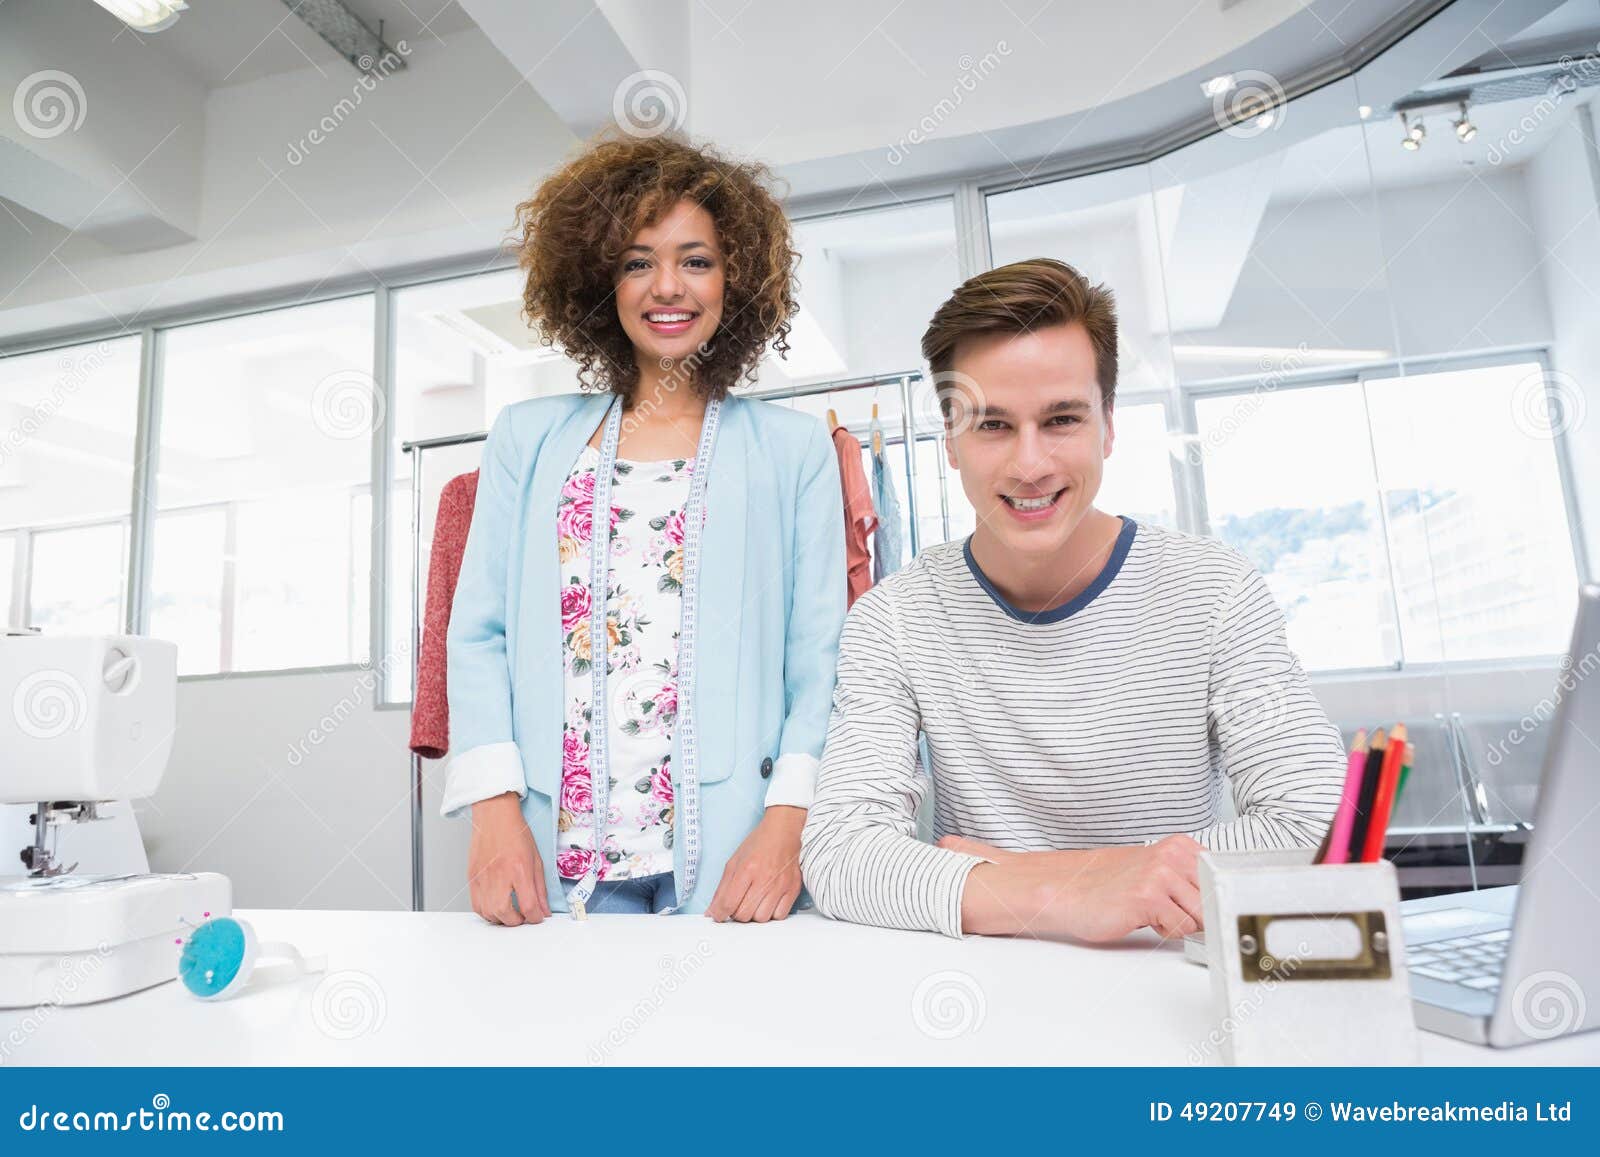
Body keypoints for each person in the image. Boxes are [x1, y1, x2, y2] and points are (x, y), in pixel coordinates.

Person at [799, 257, 1345, 942]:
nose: (1030, 464)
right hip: (982, 1004)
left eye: (1061, 419)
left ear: (1109, 426)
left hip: (1174, 992)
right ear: (951, 440)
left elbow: (1319, 828)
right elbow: (841, 853)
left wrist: (1021, 877)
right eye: (993, 425)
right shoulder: (895, 618)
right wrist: (1075, 891)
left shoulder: (1217, 593)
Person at [442, 130, 845, 925]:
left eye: (696, 259)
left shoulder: (795, 451)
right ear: (601, 281)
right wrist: (493, 817)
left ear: (736, 280)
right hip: (552, 849)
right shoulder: (527, 439)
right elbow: (477, 633)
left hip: (736, 856)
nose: (669, 286)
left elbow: (821, 659)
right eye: (637, 261)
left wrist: (787, 826)